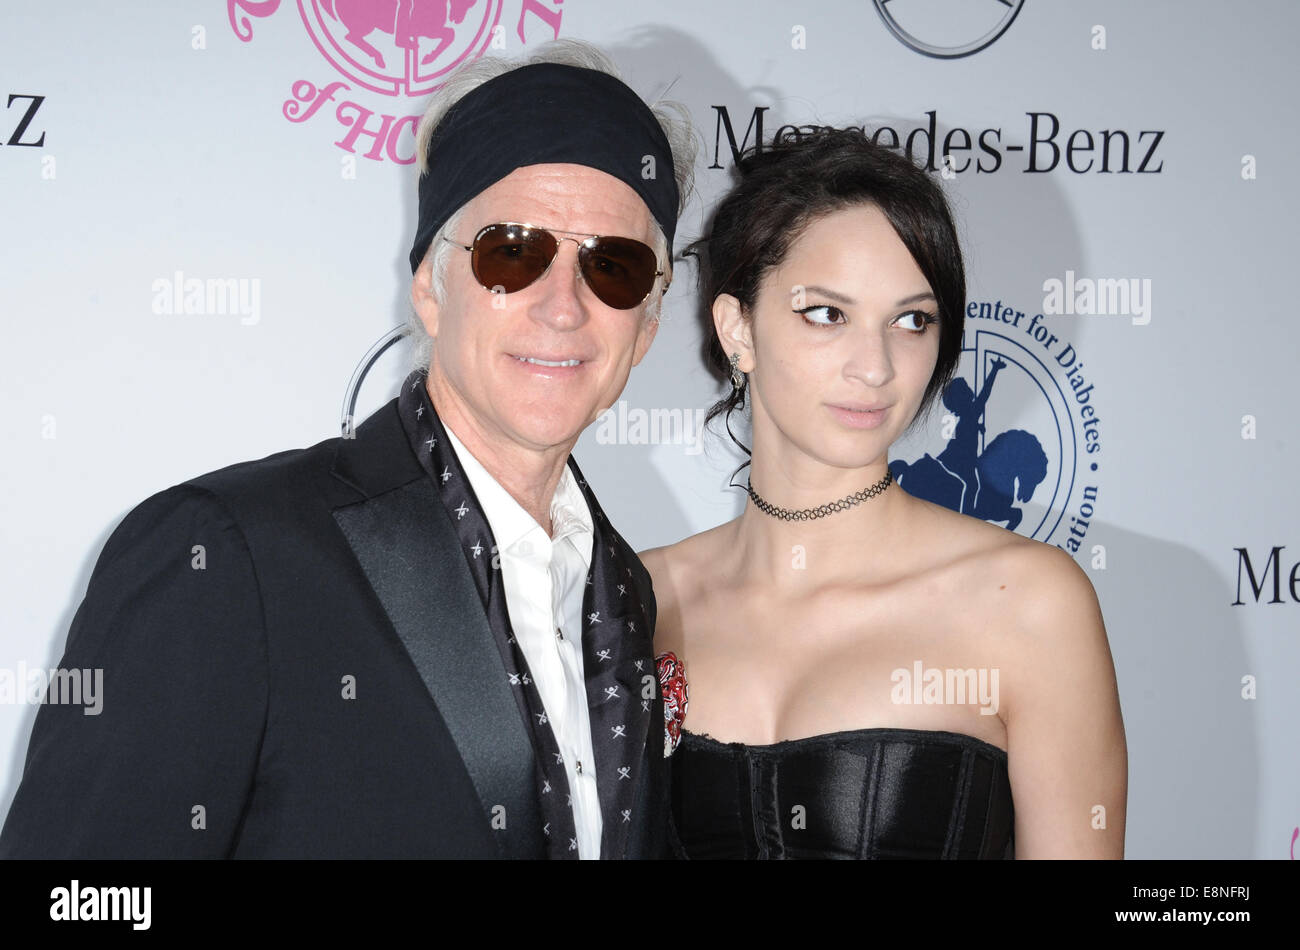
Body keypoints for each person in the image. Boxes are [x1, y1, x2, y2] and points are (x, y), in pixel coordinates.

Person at [0, 39, 697, 859]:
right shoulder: (226, 554)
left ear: (647, 323)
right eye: (514, 251)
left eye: (613, 267)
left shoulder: (623, 592)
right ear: (432, 288)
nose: (563, 306)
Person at [640, 127, 1127, 859]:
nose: (875, 366)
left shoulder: (1025, 603)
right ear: (737, 329)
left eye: (911, 320)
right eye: (827, 314)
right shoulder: (638, 597)